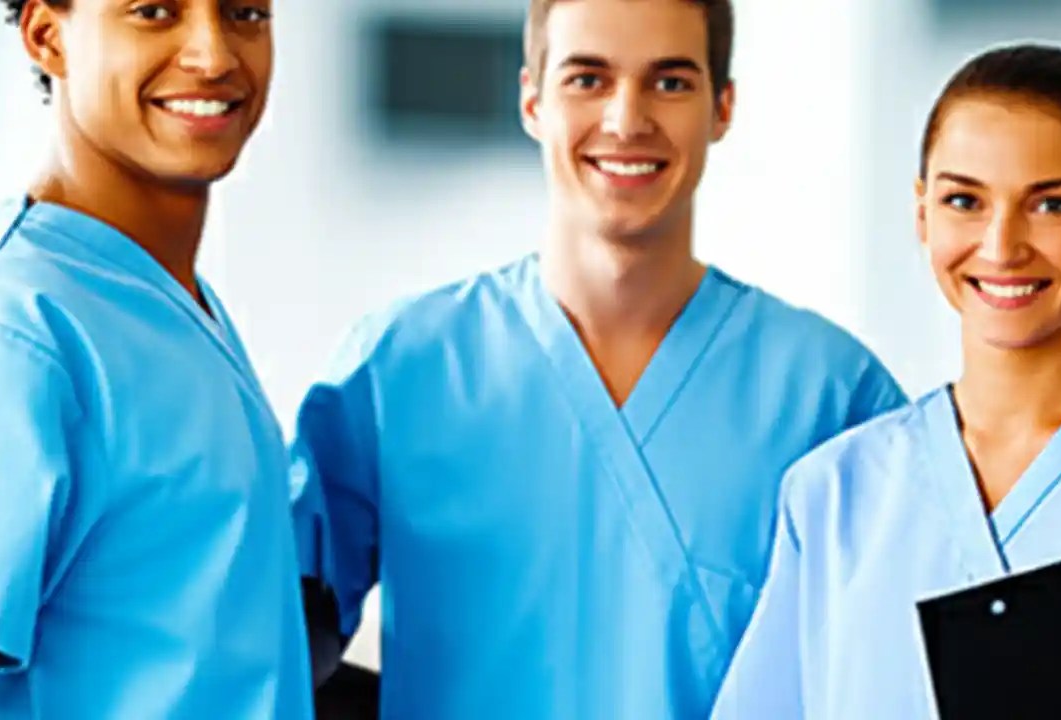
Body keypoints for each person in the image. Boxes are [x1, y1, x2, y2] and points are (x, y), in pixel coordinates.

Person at [289, 0, 906, 717]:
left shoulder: (829, 398)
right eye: (588, 79)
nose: (626, 119)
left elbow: (906, 673)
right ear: (532, 100)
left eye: (670, 83)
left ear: (722, 108)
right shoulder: (400, 371)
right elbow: (262, 643)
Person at [710, 43, 1061, 719]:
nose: (1001, 246)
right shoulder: (835, 494)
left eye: (1051, 205)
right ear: (922, 214)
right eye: (964, 200)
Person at [0, 1, 313, 718]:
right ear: (48, 37)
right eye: (154, 11)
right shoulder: (17, 334)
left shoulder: (164, 301)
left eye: (245, 13)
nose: (214, 55)